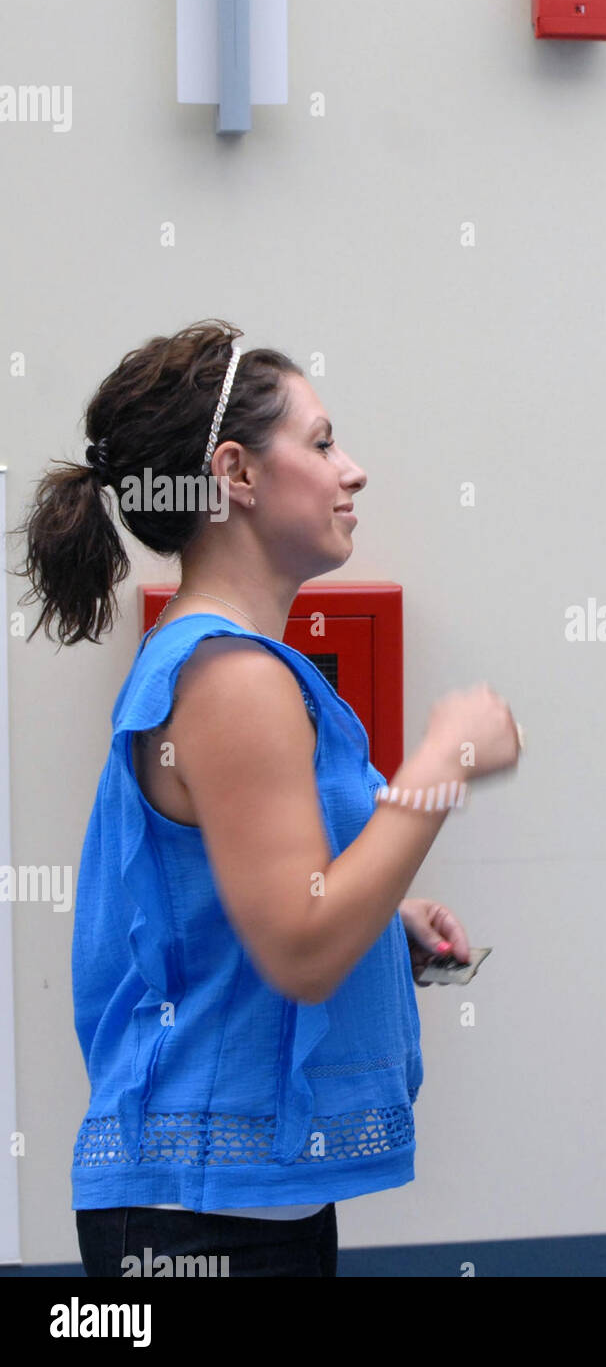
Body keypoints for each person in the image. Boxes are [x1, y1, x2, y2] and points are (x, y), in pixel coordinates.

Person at [16, 320, 520, 1276]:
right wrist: (442, 764)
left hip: (245, 1207)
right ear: (237, 473)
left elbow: (261, 904)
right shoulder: (229, 680)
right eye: (323, 442)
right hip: (198, 1226)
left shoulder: (233, 669)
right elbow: (300, 947)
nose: (353, 470)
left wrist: (384, 921)